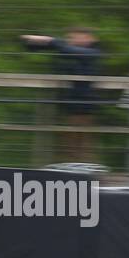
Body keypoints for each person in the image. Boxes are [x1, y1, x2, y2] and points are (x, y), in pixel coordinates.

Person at [20, 28, 102, 162]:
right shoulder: (71, 53)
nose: (72, 40)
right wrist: (36, 42)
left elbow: (67, 49)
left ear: (90, 38)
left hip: (86, 106)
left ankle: (87, 172)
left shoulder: (93, 53)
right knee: (68, 141)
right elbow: (59, 50)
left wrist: (50, 40)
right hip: (69, 104)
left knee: (83, 143)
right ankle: (71, 170)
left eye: (76, 37)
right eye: (71, 38)